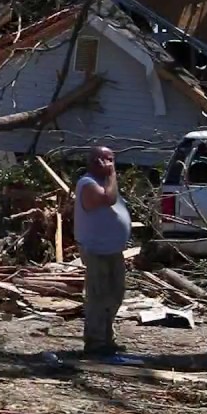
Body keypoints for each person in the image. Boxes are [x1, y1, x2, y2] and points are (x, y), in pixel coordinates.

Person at [74, 146, 132, 356]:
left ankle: (107, 338)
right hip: (96, 249)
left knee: (115, 294)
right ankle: (95, 342)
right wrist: (112, 174)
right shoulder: (87, 183)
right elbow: (109, 199)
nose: (107, 163)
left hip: (112, 249)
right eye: (103, 159)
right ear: (92, 161)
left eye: (111, 159)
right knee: (98, 296)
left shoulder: (105, 182)